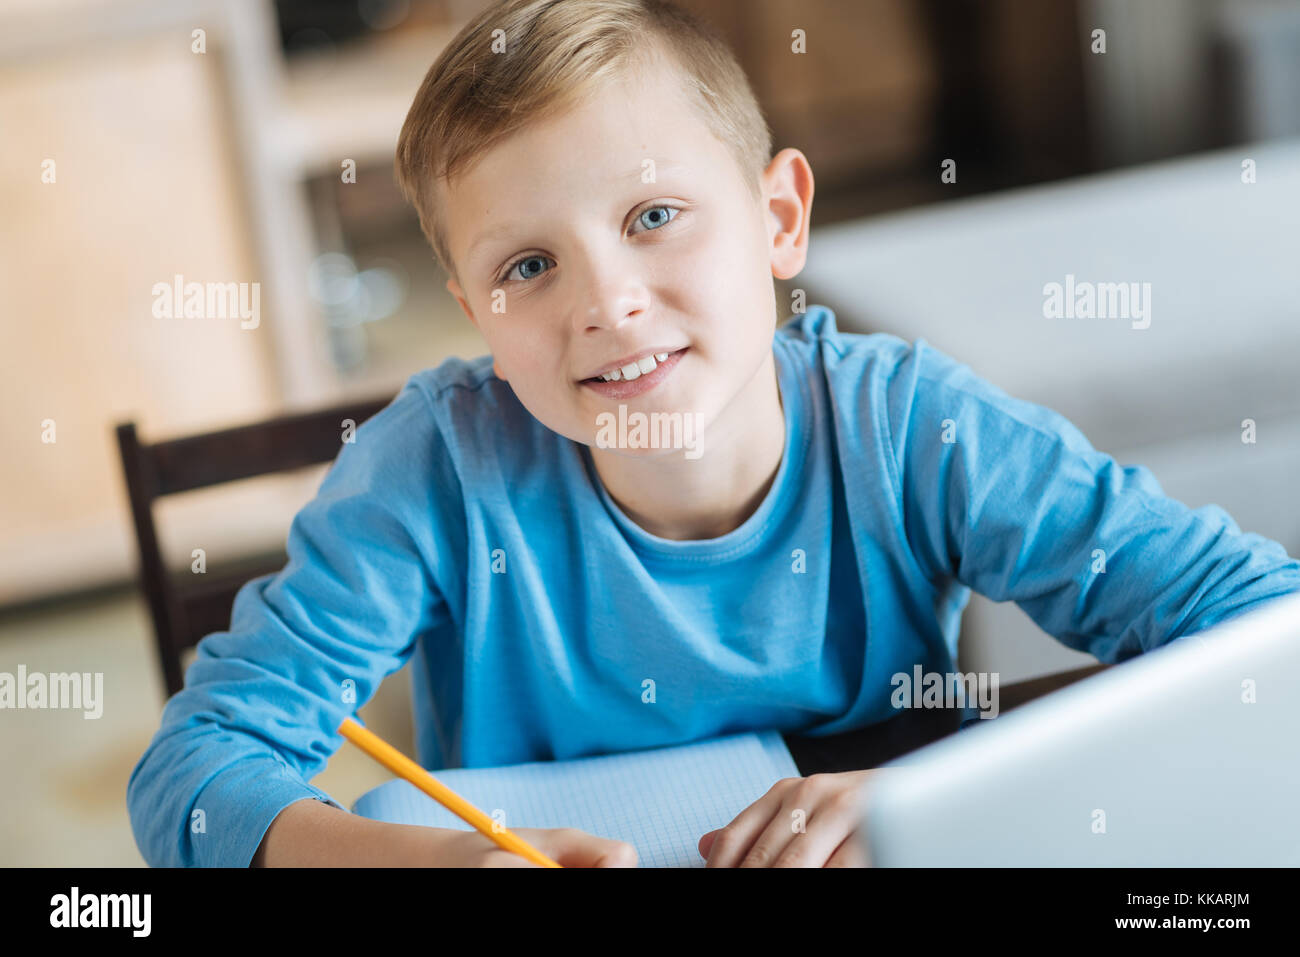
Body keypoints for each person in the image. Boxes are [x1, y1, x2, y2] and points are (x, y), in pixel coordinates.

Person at [128, 0, 1300, 868]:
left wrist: (924, 791)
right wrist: (438, 861)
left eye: (653, 217)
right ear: (471, 304)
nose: (605, 302)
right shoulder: (428, 475)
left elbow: (1263, 625)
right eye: (527, 265)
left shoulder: (911, 428)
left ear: (778, 216)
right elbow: (190, 778)